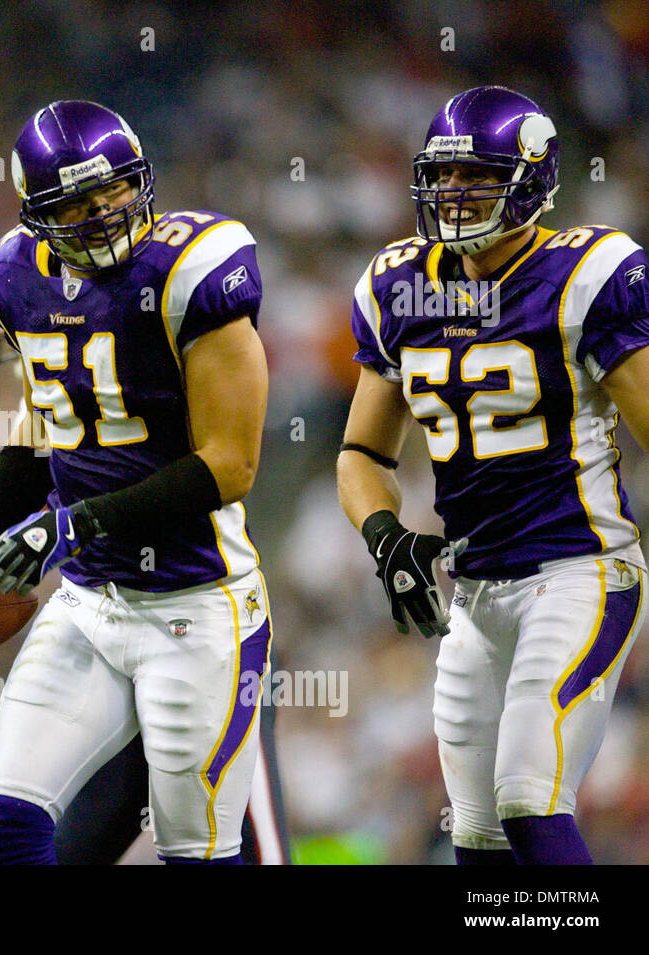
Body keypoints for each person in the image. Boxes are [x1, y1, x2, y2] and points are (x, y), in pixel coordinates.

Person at [0, 100, 273, 864]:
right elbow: (45, 424)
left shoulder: (193, 268)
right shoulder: (12, 277)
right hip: (87, 600)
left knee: (197, 851)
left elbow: (231, 464)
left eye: (113, 189)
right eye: (75, 203)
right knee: (8, 820)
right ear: (36, 215)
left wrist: (72, 522)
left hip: (197, 604)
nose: (104, 212)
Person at [337, 85, 649, 865]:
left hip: (579, 568)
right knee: (475, 839)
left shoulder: (586, 272)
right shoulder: (397, 285)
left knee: (528, 802)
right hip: (474, 591)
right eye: (441, 177)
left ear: (533, 179)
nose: (451, 194)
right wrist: (384, 534)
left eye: (475, 175)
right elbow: (363, 455)